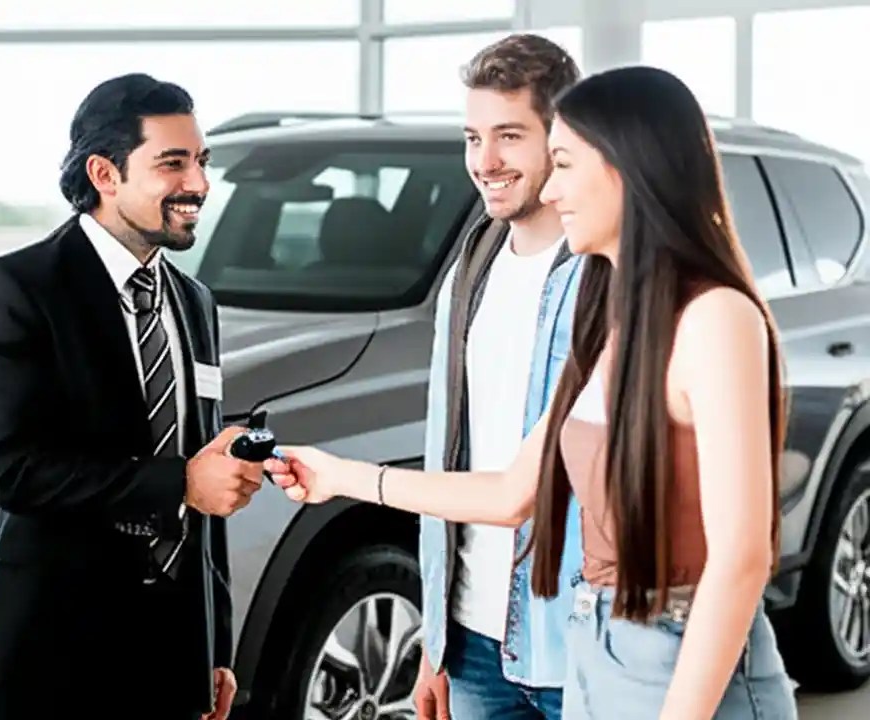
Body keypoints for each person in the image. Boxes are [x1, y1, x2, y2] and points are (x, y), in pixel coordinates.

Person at [268, 65, 799, 719]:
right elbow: (511, 492)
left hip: (685, 657)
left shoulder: (714, 317)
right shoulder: (612, 321)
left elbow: (741, 556)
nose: (553, 194)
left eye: (566, 165)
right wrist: (338, 476)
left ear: (627, 166)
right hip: (600, 652)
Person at [0, 73, 266, 720]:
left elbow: (202, 507)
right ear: (105, 174)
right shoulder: (17, 288)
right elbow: (22, 474)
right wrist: (181, 481)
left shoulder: (194, 303)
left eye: (202, 161)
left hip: (171, 654)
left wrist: (216, 647)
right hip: (56, 655)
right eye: (173, 163)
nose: (200, 184)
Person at [416, 33, 583, 720]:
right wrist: (435, 639)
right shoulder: (469, 270)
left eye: (509, 136)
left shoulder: (605, 270)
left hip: (579, 641)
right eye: (472, 137)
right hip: (474, 641)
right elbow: (445, 450)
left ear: (561, 137)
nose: (484, 162)